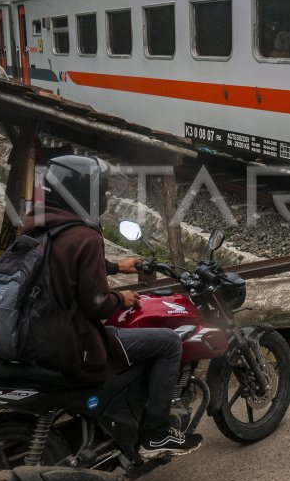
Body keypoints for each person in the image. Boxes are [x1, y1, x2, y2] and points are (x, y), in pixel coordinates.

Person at [24, 154, 201, 460]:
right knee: (169, 343)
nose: (104, 197)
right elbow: (97, 305)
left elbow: (67, 266)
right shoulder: (86, 236)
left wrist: (116, 267)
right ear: (83, 192)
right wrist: (122, 298)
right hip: (73, 342)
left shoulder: (38, 224)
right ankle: (156, 435)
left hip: (39, 331)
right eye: (100, 190)